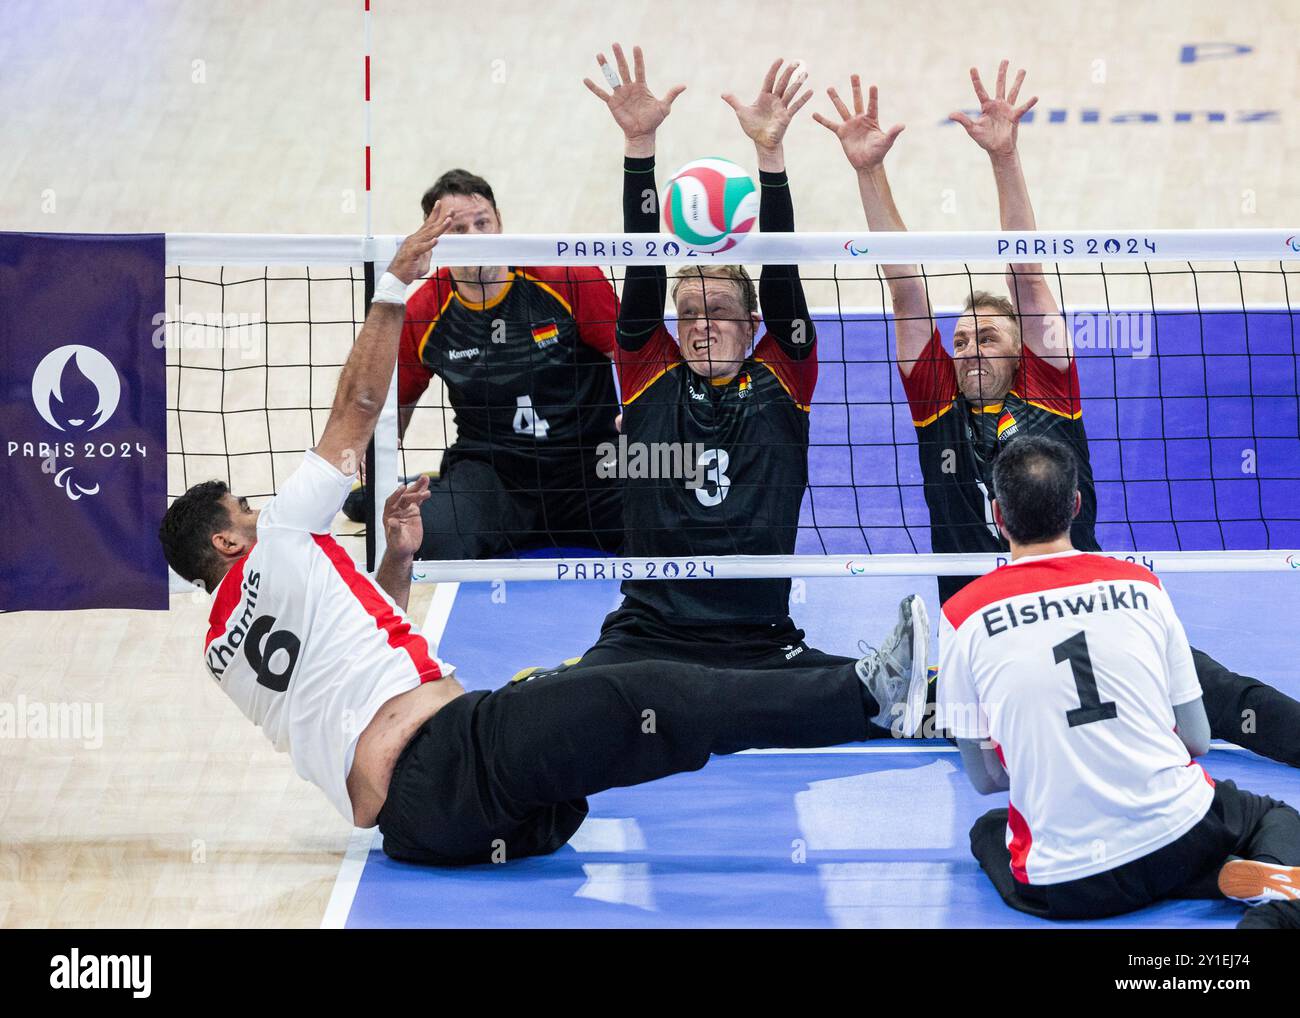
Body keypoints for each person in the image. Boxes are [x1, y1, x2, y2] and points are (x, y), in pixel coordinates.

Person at [157, 207, 930, 865]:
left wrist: (397, 558)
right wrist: (392, 285)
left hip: (424, 829)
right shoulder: (283, 538)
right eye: (243, 510)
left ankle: (878, 697)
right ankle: (865, 692)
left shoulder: (222, 656)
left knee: (586, 725)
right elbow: (358, 406)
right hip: (459, 755)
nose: (259, 511)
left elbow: (360, 639)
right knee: (656, 697)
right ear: (227, 543)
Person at [818, 60, 1300, 765]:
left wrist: (1004, 158)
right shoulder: (936, 404)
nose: (970, 349)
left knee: (1224, 696)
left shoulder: (1047, 392)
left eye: (988, 338)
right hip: (988, 628)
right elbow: (906, 288)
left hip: (1086, 604)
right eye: (961, 341)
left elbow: (1027, 272)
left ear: (1022, 352)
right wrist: (869, 171)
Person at [568, 45, 931, 724]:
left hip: (757, 632)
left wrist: (771, 155)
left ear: (752, 324)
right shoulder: (647, 370)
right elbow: (642, 270)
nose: (702, 326)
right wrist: (640, 147)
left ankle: (880, 687)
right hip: (648, 630)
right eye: (688, 314)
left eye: (719, 312)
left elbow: (782, 274)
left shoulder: (781, 375)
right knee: (580, 711)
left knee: (813, 700)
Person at [939, 435, 1300, 928]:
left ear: (998, 516)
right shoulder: (1141, 585)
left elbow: (985, 781)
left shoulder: (961, 616)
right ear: (1076, 504)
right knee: (1274, 817)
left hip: (1071, 888)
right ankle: (1252, 900)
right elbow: (1197, 740)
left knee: (988, 831)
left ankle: (1192, 875)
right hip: (1181, 837)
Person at [345, 168, 625, 560]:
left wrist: (642, 419)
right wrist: (374, 460)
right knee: (426, 541)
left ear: (500, 223)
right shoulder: (424, 312)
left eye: (482, 223)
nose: (474, 238)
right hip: (495, 476)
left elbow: (634, 357)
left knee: (667, 524)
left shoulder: (566, 278)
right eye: (458, 230)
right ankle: (442, 493)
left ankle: (440, 492)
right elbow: (397, 406)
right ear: (434, 241)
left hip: (590, 464)